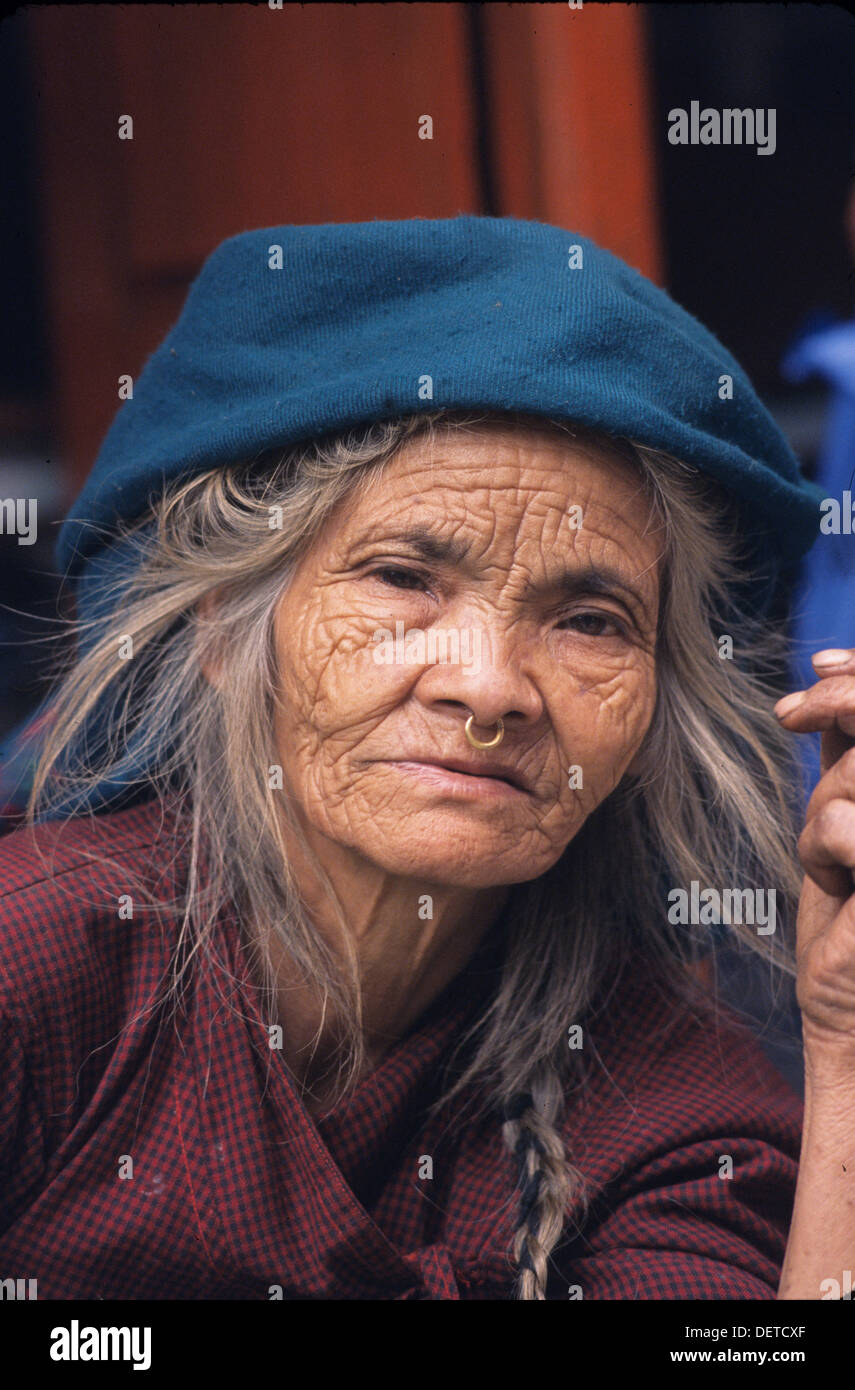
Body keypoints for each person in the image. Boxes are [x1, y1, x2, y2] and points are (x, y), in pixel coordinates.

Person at [0, 216, 853, 1301]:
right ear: (224, 629)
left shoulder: (666, 1096)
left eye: (591, 620)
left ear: (652, 709)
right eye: (404, 578)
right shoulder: (33, 981)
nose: (489, 684)